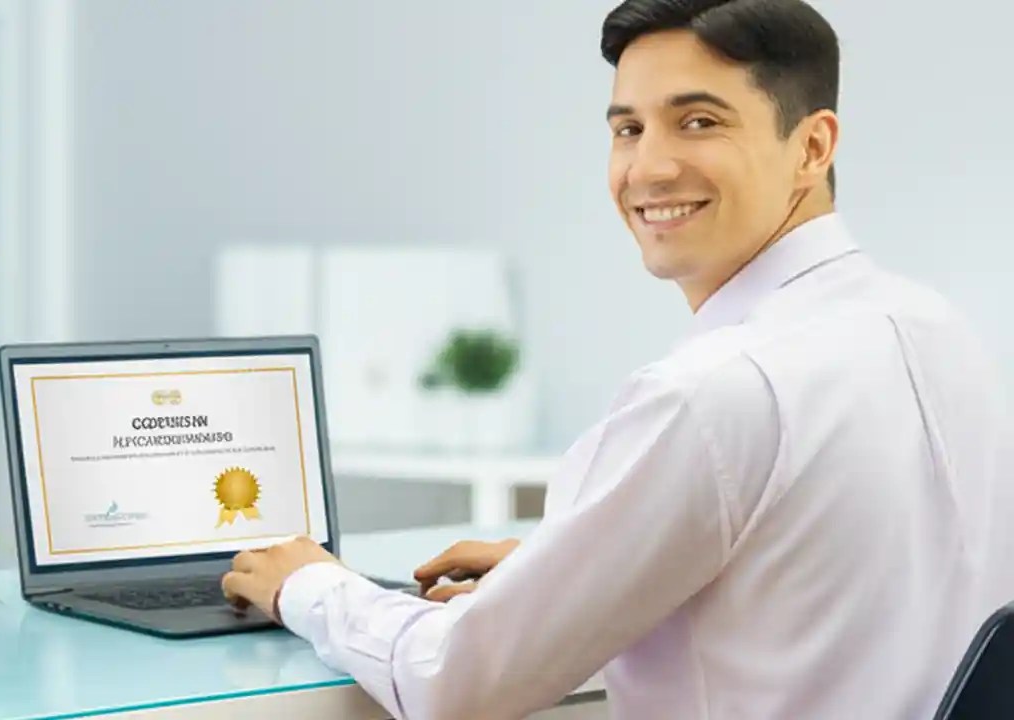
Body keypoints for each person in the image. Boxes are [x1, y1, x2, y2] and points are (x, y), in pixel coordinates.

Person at [221, 1, 1014, 717]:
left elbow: (453, 682)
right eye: (628, 129)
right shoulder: (934, 326)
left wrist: (310, 585)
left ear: (812, 146)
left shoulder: (716, 393)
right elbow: (843, 567)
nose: (649, 168)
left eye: (699, 122)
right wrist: (575, 567)